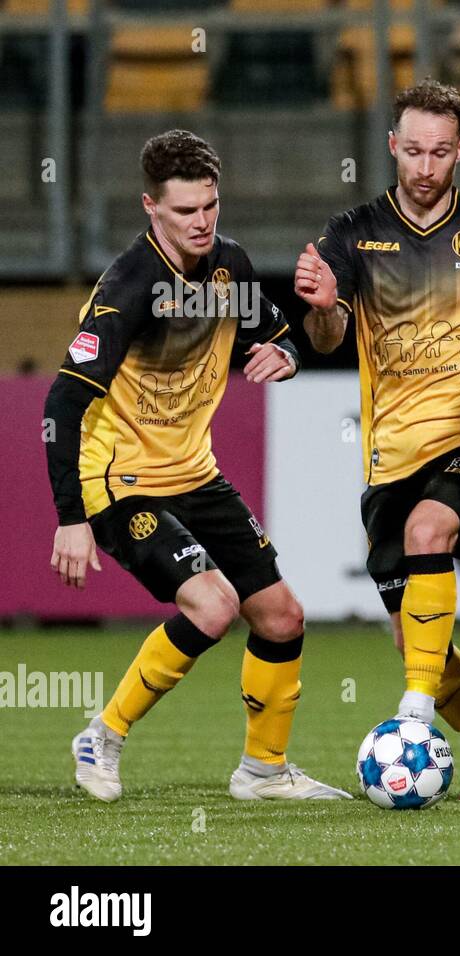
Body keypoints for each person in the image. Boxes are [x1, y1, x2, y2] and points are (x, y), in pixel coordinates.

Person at [46, 129, 348, 802]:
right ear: (151, 207)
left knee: (282, 617)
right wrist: (72, 518)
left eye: (211, 205)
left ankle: (263, 771)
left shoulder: (228, 268)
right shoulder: (129, 286)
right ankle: (103, 733)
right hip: (120, 482)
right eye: (186, 211)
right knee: (212, 605)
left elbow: (276, 335)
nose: (203, 221)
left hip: (195, 474)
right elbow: (63, 400)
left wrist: (289, 355)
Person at [295, 80, 460, 800]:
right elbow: (327, 337)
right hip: (390, 452)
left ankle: (414, 712)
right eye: (413, 151)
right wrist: (324, 307)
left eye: (440, 152)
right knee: (412, 638)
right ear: (393, 146)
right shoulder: (353, 230)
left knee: (433, 529)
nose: (425, 168)